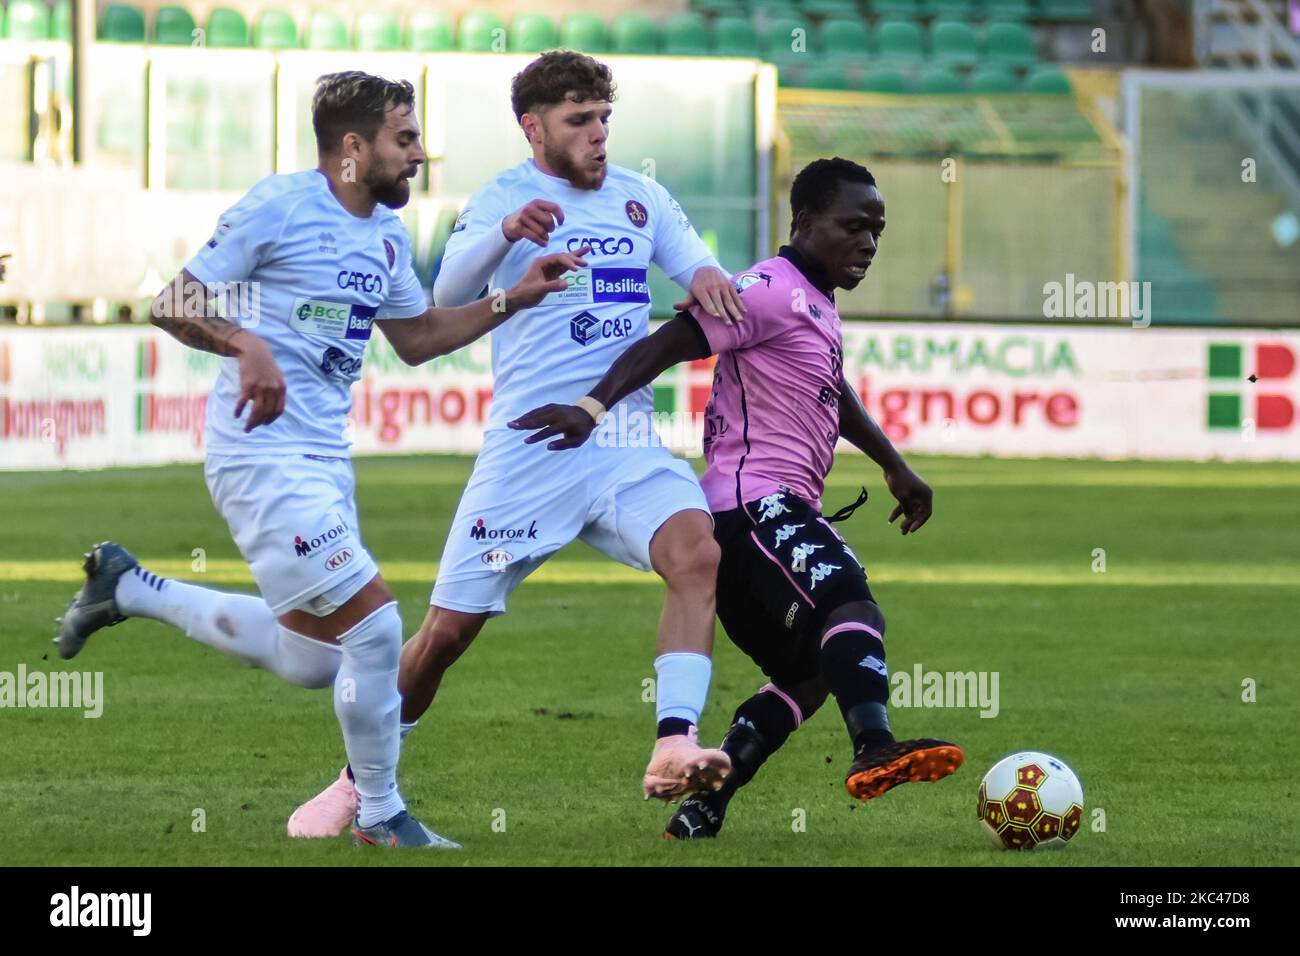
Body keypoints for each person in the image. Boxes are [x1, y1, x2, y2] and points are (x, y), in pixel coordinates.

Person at [53, 71, 583, 849]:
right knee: (377, 627)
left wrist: (515, 299)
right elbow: (173, 302)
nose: (420, 155)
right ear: (353, 146)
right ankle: (379, 812)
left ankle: (126, 587)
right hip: (259, 455)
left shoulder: (384, 236)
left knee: (309, 658)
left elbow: (419, 339)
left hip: (324, 463)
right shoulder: (282, 204)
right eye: (405, 139)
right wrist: (245, 342)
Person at [288, 51, 746, 837]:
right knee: (444, 638)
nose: (599, 135)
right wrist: (504, 236)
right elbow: (446, 297)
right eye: (579, 121)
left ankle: (673, 740)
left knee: (697, 554)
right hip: (531, 450)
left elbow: (696, 261)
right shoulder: (506, 198)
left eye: (605, 118)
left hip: (625, 435)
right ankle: (357, 789)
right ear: (534, 128)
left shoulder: (642, 198)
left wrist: (707, 277)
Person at [510, 157, 964, 840]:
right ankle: (874, 744)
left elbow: (830, 392)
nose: (868, 242)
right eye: (852, 226)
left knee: (808, 675)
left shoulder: (810, 301)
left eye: (877, 229)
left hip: (753, 520)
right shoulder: (769, 290)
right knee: (851, 603)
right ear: (806, 222)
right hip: (756, 507)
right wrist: (592, 406)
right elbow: (672, 340)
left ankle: (704, 807)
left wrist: (894, 466)